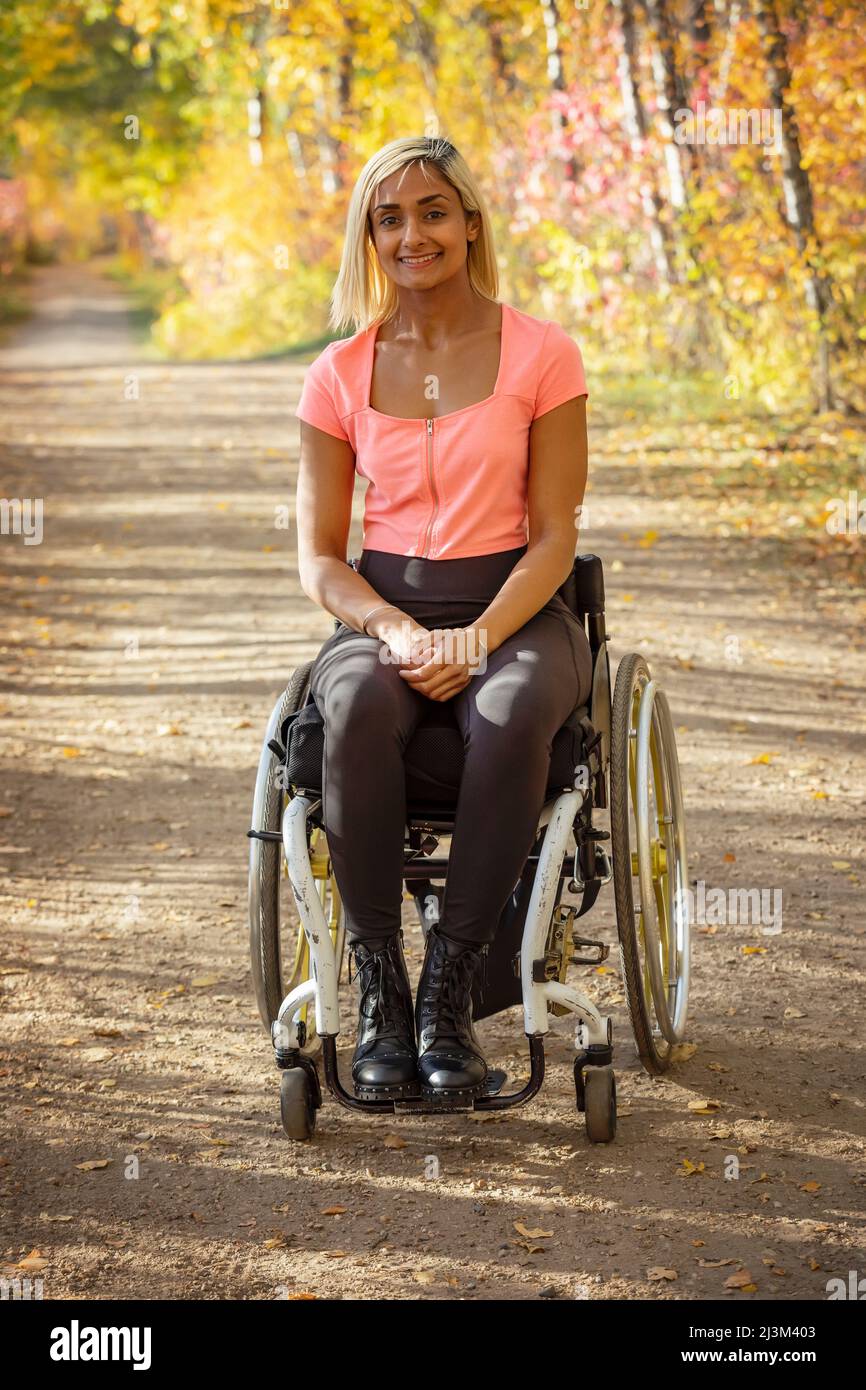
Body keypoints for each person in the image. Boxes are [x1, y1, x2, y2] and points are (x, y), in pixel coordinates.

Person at [295, 135, 592, 1102]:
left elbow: (555, 534)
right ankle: (382, 991)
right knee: (350, 710)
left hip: (519, 606)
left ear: (470, 223)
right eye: (390, 218)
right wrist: (391, 630)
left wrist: (481, 636)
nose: (412, 234)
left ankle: (450, 997)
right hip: (384, 614)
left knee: (507, 718)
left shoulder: (543, 353)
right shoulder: (338, 373)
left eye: (433, 212)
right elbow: (321, 559)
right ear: (369, 238)